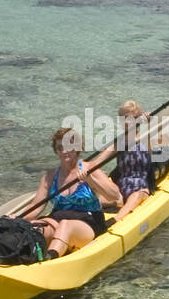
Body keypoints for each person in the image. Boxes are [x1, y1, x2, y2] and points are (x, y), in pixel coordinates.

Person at [27, 126, 121, 259]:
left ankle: (50, 258)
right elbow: (35, 207)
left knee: (66, 225)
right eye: (60, 148)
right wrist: (17, 219)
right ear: (56, 151)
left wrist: (91, 179)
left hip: (89, 221)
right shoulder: (50, 176)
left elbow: (114, 196)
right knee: (36, 228)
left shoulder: (90, 168)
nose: (64, 151)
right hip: (57, 217)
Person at [111, 100, 153, 222]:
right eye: (125, 118)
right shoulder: (118, 143)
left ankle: (115, 220)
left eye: (133, 118)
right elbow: (98, 161)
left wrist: (151, 123)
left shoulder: (146, 137)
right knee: (96, 198)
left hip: (141, 188)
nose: (128, 121)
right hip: (120, 190)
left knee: (136, 195)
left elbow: (167, 140)